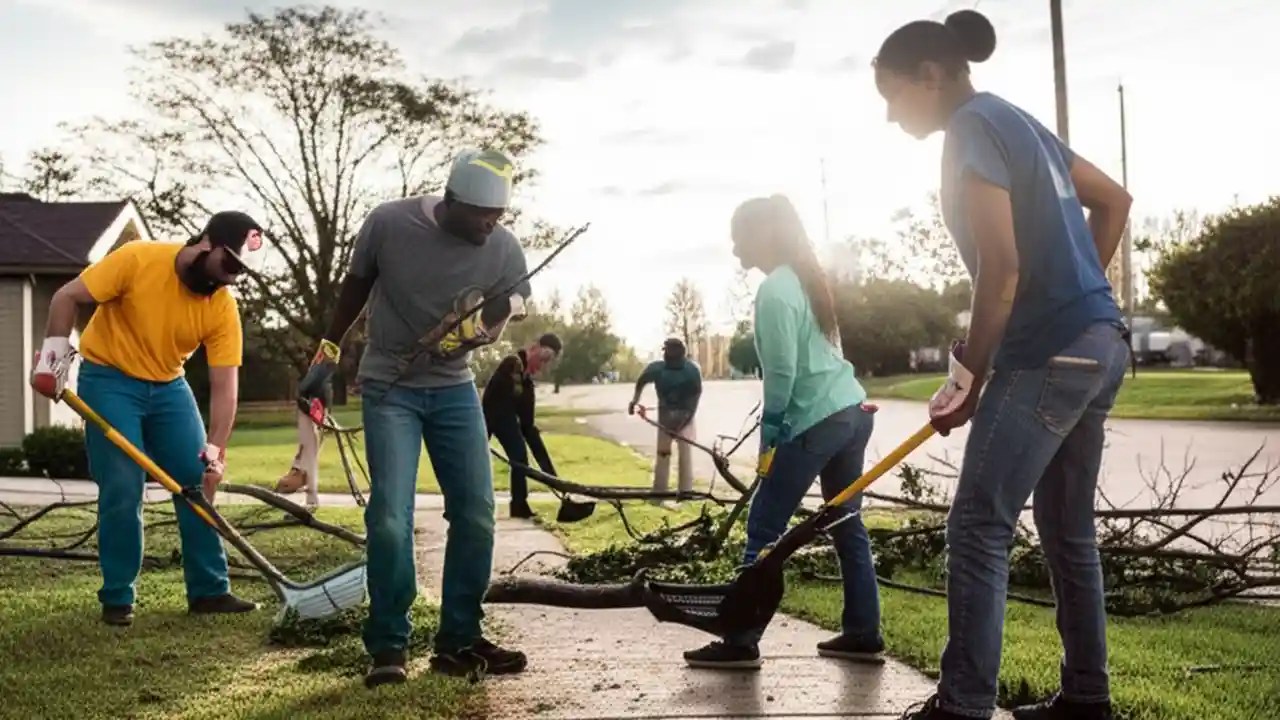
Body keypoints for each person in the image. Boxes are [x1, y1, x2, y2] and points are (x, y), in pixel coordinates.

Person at [872, 11, 1133, 720]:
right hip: (1100, 341)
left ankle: (963, 706)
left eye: (893, 95)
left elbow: (1002, 268)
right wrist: (1079, 295)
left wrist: (969, 378)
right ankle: (1086, 699)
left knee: (978, 526)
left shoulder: (969, 129)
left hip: (1050, 351)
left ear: (931, 75)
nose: (891, 115)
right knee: (1068, 533)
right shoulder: (1019, 122)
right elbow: (1115, 201)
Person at [296, 148, 533, 689]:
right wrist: (327, 353)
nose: (490, 224)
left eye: (498, 215)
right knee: (389, 517)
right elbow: (355, 287)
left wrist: (485, 325)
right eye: (481, 214)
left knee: (476, 512)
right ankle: (388, 644)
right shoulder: (389, 223)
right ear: (451, 200)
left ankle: (459, 639)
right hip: (390, 387)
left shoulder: (504, 248)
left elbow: (514, 302)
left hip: (454, 387)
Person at [30, 211, 267, 626]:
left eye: (239, 271)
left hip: (169, 386)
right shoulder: (139, 258)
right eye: (229, 262)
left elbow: (226, 388)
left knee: (197, 480)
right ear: (207, 242)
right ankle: (118, 597)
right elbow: (66, 296)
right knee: (123, 486)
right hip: (110, 379)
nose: (230, 277)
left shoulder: (221, 306)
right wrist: (52, 362)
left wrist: (216, 451)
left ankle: (209, 591)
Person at [681, 194, 882, 670]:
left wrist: (770, 434)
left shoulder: (775, 289)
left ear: (763, 235)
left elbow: (782, 373)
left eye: (739, 237)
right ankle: (863, 632)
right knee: (846, 524)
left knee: (764, 526)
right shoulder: (808, 281)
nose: (735, 248)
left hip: (815, 420)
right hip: (851, 413)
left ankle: (740, 638)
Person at [481, 332, 564, 518]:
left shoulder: (527, 385)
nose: (542, 365)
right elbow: (496, 406)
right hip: (488, 419)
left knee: (520, 456)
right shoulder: (511, 364)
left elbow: (529, 429)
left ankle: (519, 505)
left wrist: (552, 477)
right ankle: (514, 504)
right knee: (509, 456)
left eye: (547, 362)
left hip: (502, 420)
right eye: (543, 358)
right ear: (534, 347)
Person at [628, 338, 702, 498]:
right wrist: (635, 401)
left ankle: (685, 491)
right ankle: (660, 490)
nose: (668, 354)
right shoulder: (657, 369)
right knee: (663, 453)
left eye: (671, 350)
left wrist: (686, 418)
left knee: (685, 453)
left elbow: (696, 395)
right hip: (665, 416)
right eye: (667, 350)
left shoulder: (691, 370)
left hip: (686, 415)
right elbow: (641, 382)